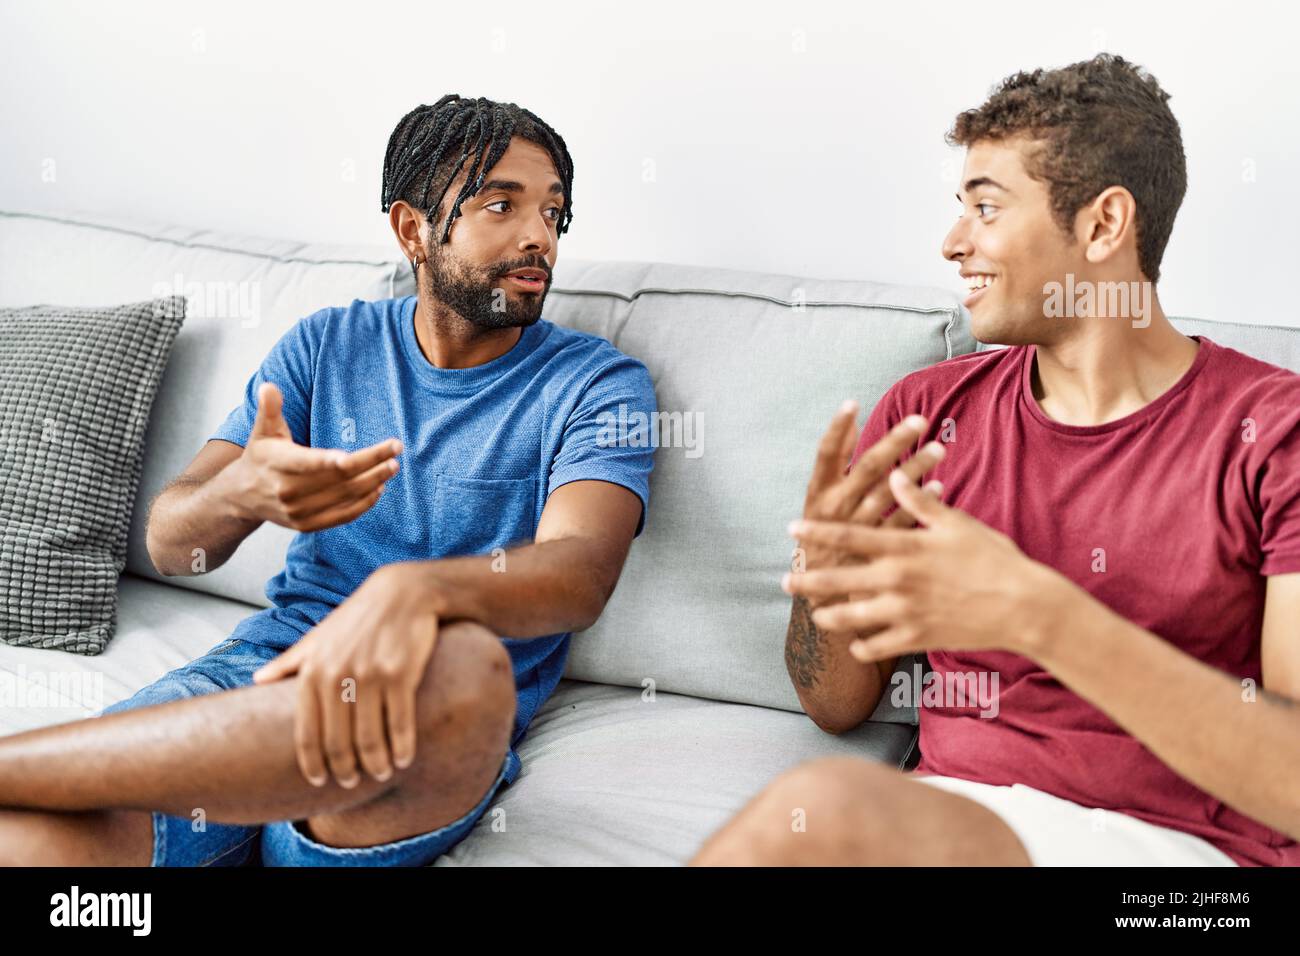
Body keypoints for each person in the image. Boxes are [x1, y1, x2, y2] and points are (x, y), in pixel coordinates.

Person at [0, 94, 656, 867]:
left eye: (553, 212)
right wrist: (239, 494)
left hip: (421, 722)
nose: (537, 236)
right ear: (412, 229)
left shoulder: (599, 384)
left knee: (467, 668)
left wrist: (417, 593)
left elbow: (581, 575)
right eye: (500, 205)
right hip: (269, 675)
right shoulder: (325, 346)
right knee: (36, 842)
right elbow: (174, 546)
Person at [694, 54, 1300, 867]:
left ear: (1102, 225)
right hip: (965, 825)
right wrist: (826, 585)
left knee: (822, 809)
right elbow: (834, 704)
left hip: (1189, 872)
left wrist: (1040, 615)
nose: (952, 244)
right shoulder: (923, 417)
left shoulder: (1273, 431)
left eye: (986, 208)